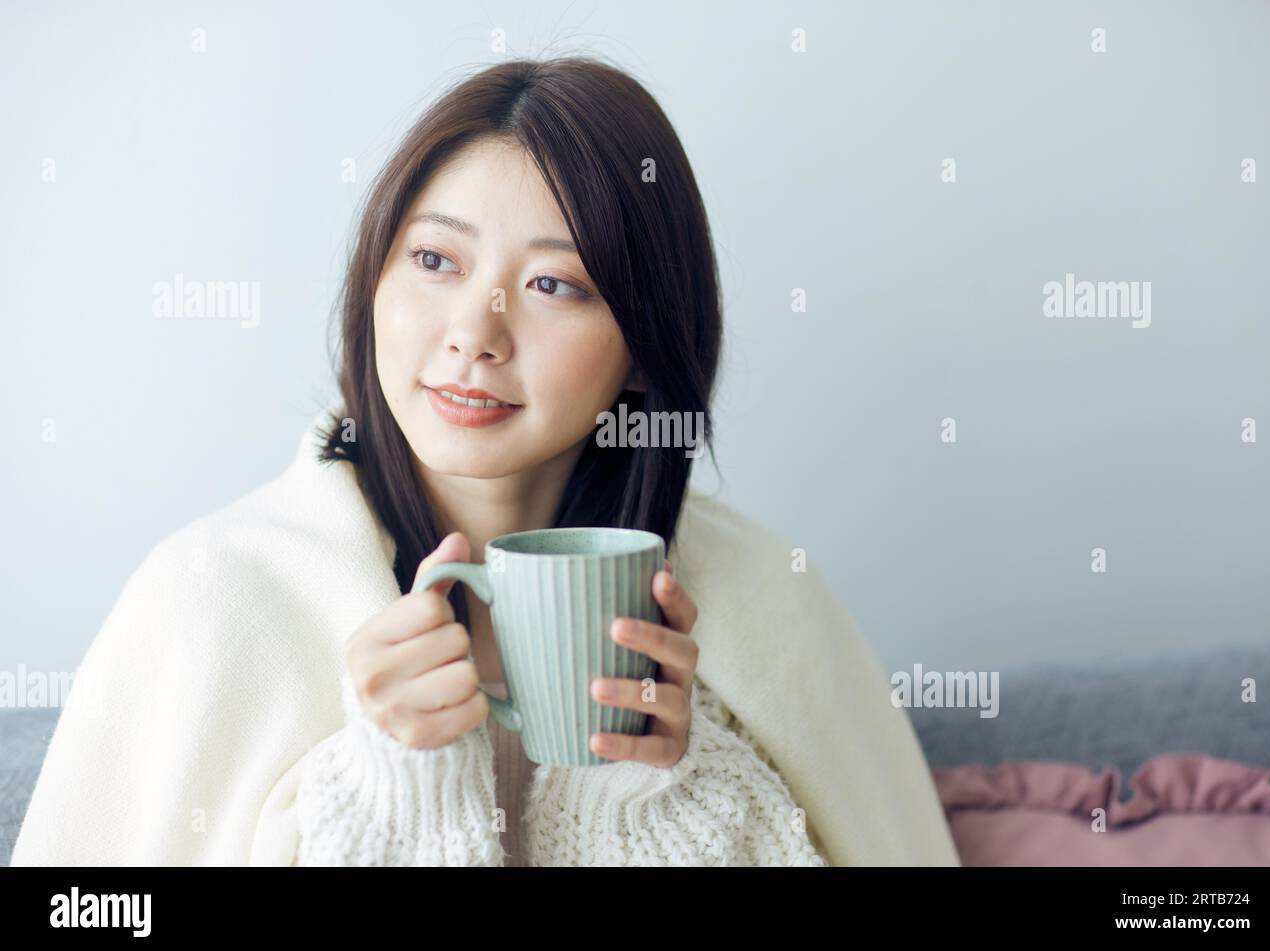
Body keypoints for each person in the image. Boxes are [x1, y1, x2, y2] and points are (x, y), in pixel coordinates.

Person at [11, 57, 959, 867]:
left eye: (553, 284)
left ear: (643, 348)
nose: (475, 333)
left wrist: (658, 807)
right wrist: (388, 799)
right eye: (435, 261)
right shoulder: (212, 596)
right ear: (372, 283)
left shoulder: (765, 600)